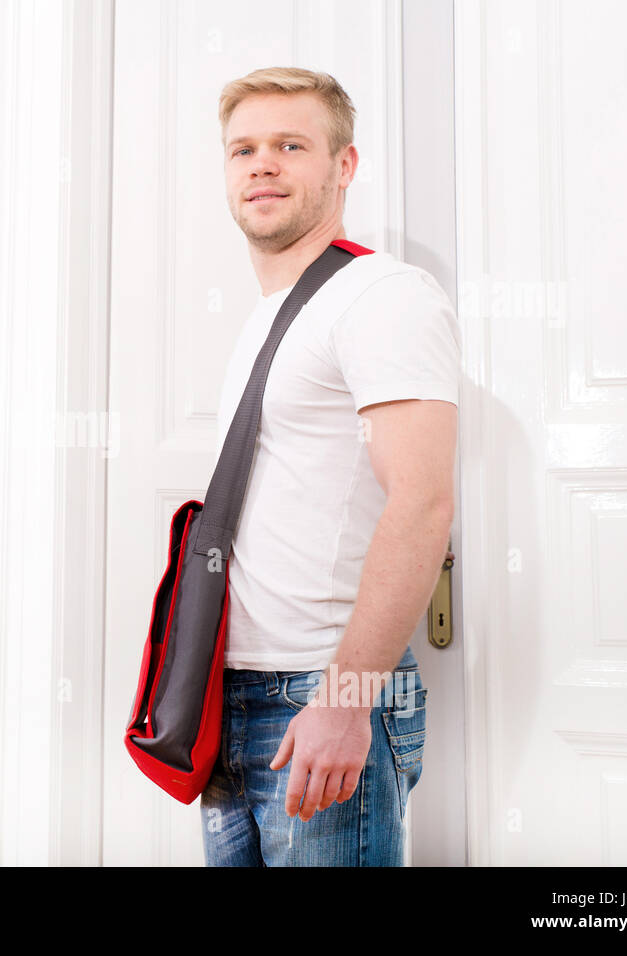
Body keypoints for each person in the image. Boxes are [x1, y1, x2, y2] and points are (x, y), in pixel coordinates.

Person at [200, 67, 460, 866]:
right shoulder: (275, 313)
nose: (262, 164)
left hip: (317, 694)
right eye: (243, 148)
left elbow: (420, 505)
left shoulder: (383, 296)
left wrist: (345, 703)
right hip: (237, 695)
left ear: (344, 166)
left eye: (290, 145)